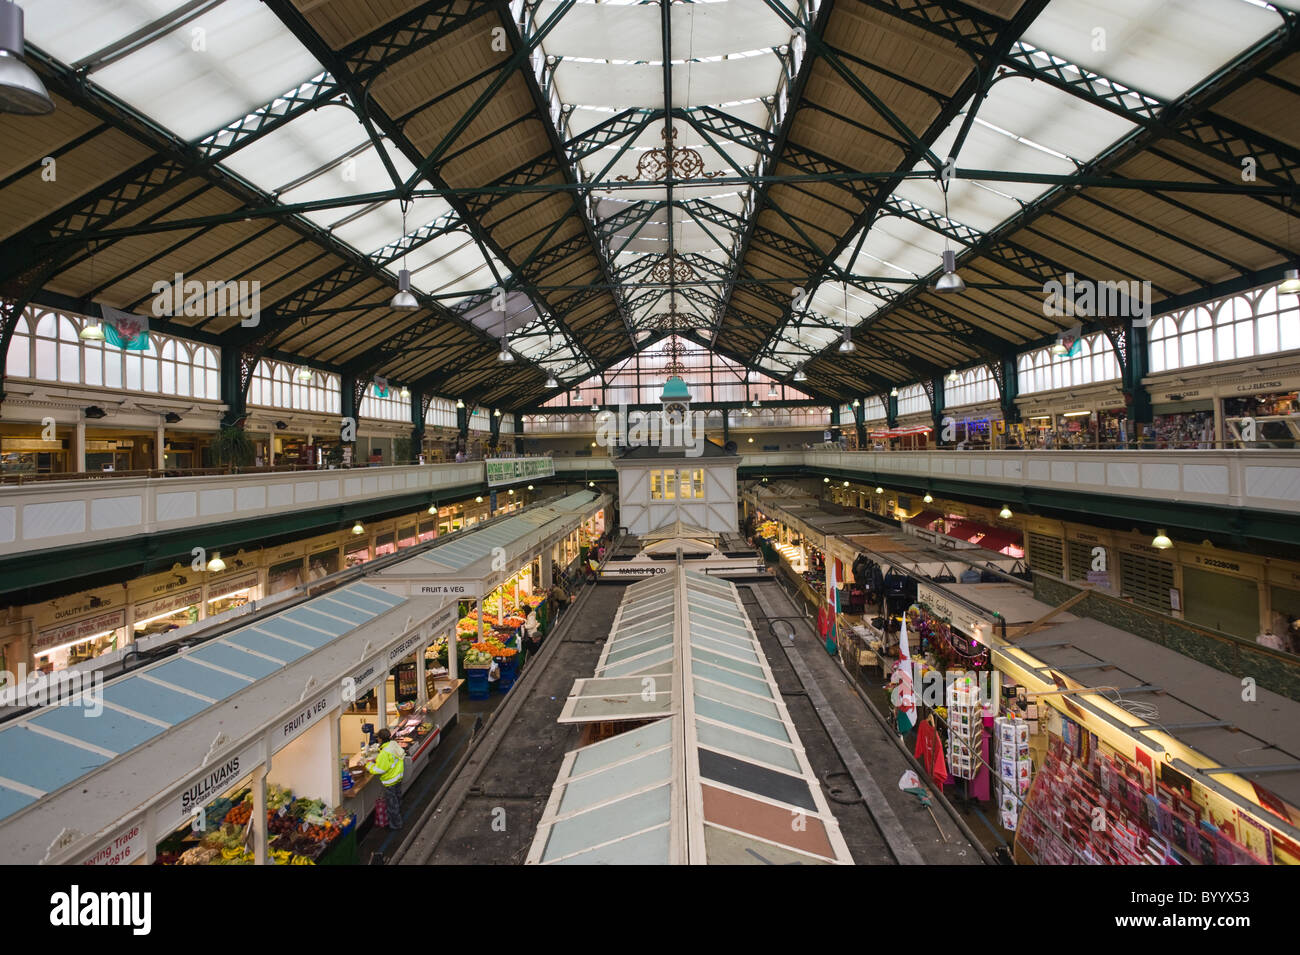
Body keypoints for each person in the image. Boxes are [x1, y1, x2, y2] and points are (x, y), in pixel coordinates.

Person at [364, 728, 406, 829]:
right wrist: (378, 759)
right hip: (398, 776)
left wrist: (368, 765)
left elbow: (379, 770)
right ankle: (399, 818)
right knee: (397, 799)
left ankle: (396, 825)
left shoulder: (384, 753)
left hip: (390, 780)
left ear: (380, 739)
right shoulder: (393, 744)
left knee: (392, 804)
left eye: (377, 737)